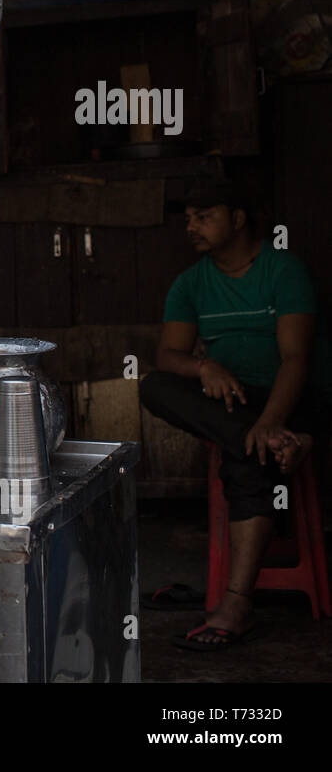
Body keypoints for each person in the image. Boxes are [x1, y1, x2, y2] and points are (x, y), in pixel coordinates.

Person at [140, 178, 331, 649]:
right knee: (154, 386)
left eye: (204, 216)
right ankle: (279, 442)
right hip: (235, 402)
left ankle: (236, 605)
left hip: (292, 396)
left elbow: (296, 360)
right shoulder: (191, 283)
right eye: (188, 219)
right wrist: (205, 366)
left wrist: (271, 421)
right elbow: (169, 355)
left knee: (247, 453)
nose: (192, 227)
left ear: (238, 218)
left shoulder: (282, 270)